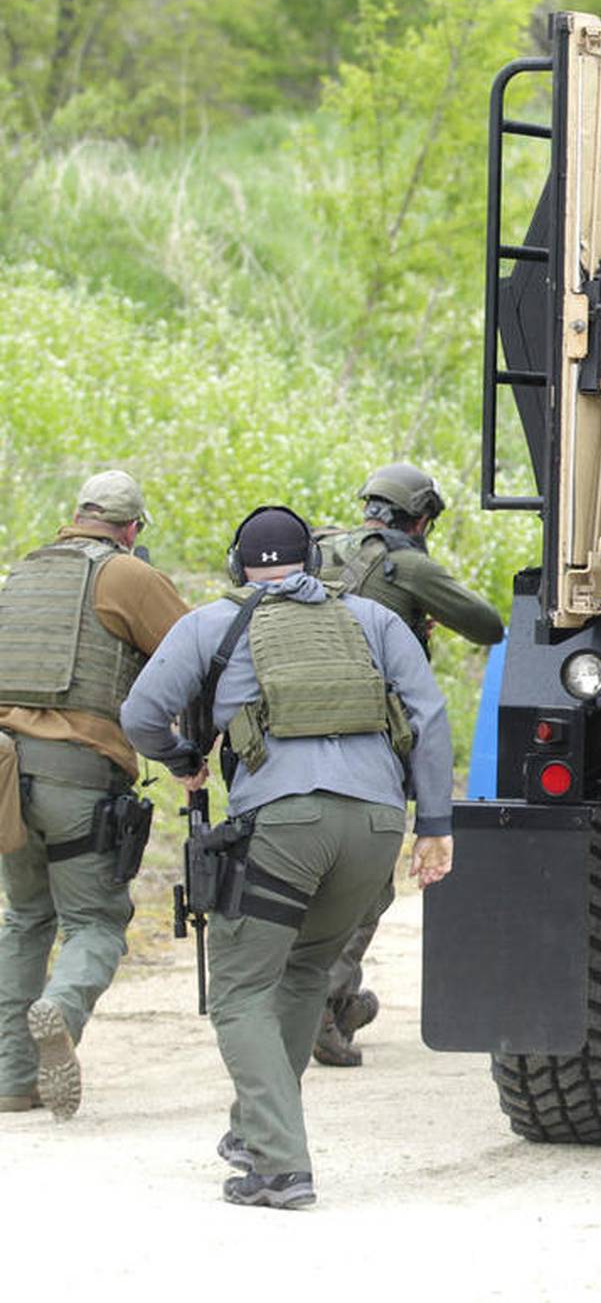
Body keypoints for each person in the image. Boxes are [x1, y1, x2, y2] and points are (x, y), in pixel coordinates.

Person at [121, 505, 454, 1209]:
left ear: (239, 564)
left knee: (241, 990)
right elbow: (426, 712)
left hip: (285, 823)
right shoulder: (372, 619)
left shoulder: (214, 623)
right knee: (304, 969)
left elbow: (140, 714)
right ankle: (253, 1130)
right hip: (374, 825)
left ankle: (279, 1166)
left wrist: (187, 757)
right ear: (309, 558)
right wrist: (435, 822)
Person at [0, 472, 188, 1120]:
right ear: (130, 528)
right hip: (75, 776)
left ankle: (11, 1078)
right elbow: (193, 654)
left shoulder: (23, 573)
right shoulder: (126, 576)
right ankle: (62, 1007)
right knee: (95, 922)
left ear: (74, 516)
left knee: (24, 918)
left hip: (2, 774)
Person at [311, 463, 502, 1067]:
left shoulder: (315, 550)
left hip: (285, 740)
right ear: (420, 520)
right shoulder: (406, 565)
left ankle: (326, 998)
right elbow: (488, 625)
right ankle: (324, 1000)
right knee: (365, 886)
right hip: (369, 744)